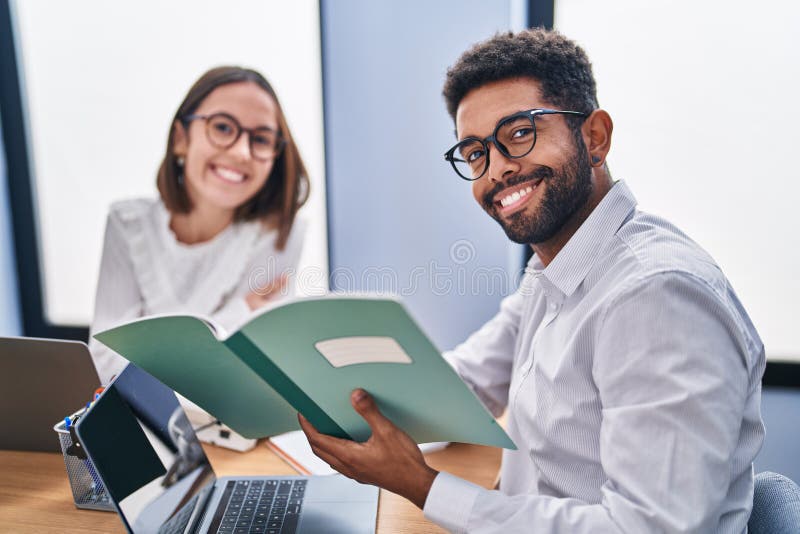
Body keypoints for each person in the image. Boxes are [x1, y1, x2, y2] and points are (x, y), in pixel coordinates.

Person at [298, 29, 765, 533]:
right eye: (475, 152)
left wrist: (421, 484)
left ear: (595, 138)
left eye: (520, 132)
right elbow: (466, 382)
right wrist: (332, 397)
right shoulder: (555, 268)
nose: (496, 169)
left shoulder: (656, 295)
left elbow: (649, 529)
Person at [89, 66, 309, 384]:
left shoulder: (280, 236)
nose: (241, 152)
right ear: (181, 139)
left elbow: (246, 380)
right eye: (222, 127)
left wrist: (148, 352)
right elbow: (105, 364)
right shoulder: (127, 225)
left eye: (261, 139)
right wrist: (238, 312)